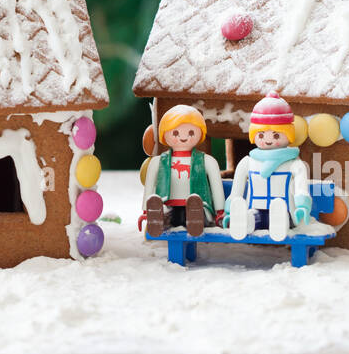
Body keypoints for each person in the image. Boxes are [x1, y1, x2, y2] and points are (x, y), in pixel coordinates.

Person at [224, 92, 331, 242]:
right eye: (261, 135)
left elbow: (301, 187)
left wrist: (302, 206)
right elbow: (237, 190)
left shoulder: (294, 163)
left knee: (279, 213)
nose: (268, 140)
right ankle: (243, 223)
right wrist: (230, 210)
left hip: (285, 210)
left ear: (288, 135)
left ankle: (279, 224)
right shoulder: (248, 162)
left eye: (276, 135)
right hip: (255, 208)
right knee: (251, 217)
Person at [142, 105, 225, 236]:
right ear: (164, 133)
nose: (183, 137)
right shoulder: (158, 162)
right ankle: (157, 219)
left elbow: (216, 186)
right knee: (163, 211)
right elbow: (149, 188)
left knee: (195, 209)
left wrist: (220, 211)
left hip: (199, 205)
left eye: (191, 132)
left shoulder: (206, 161)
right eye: (175, 132)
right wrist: (146, 211)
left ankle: (195, 222)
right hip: (169, 204)